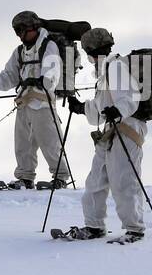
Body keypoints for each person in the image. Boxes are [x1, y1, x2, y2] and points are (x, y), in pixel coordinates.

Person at [62, 28, 145, 241]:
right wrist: (82, 108)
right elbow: (101, 109)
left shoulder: (115, 66)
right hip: (111, 132)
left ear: (91, 50)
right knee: (96, 180)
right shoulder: (105, 71)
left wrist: (118, 111)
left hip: (127, 130)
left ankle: (135, 229)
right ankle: (94, 226)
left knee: (123, 181)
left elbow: (130, 98)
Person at [0, 11, 72, 189]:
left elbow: (52, 71)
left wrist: (42, 80)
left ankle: (60, 177)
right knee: (22, 144)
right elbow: (9, 76)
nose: (20, 36)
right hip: (23, 104)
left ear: (33, 27)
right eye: (17, 32)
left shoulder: (48, 45)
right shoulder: (19, 51)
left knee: (50, 141)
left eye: (22, 31)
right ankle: (25, 177)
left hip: (42, 103)